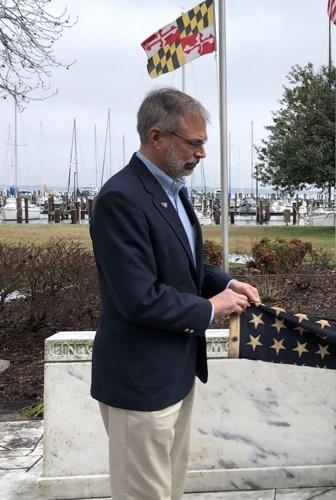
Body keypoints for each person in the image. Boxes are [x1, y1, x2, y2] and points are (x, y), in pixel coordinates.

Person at [90, 88, 260, 500]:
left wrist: (224, 283)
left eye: (204, 143)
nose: (202, 154)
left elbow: (184, 265)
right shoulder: (120, 199)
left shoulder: (172, 192)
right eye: (195, 143)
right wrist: (210, 308)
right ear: (157, 136)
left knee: (169, 491)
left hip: (177, 374)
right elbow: (139, 297)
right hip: (139, 383)